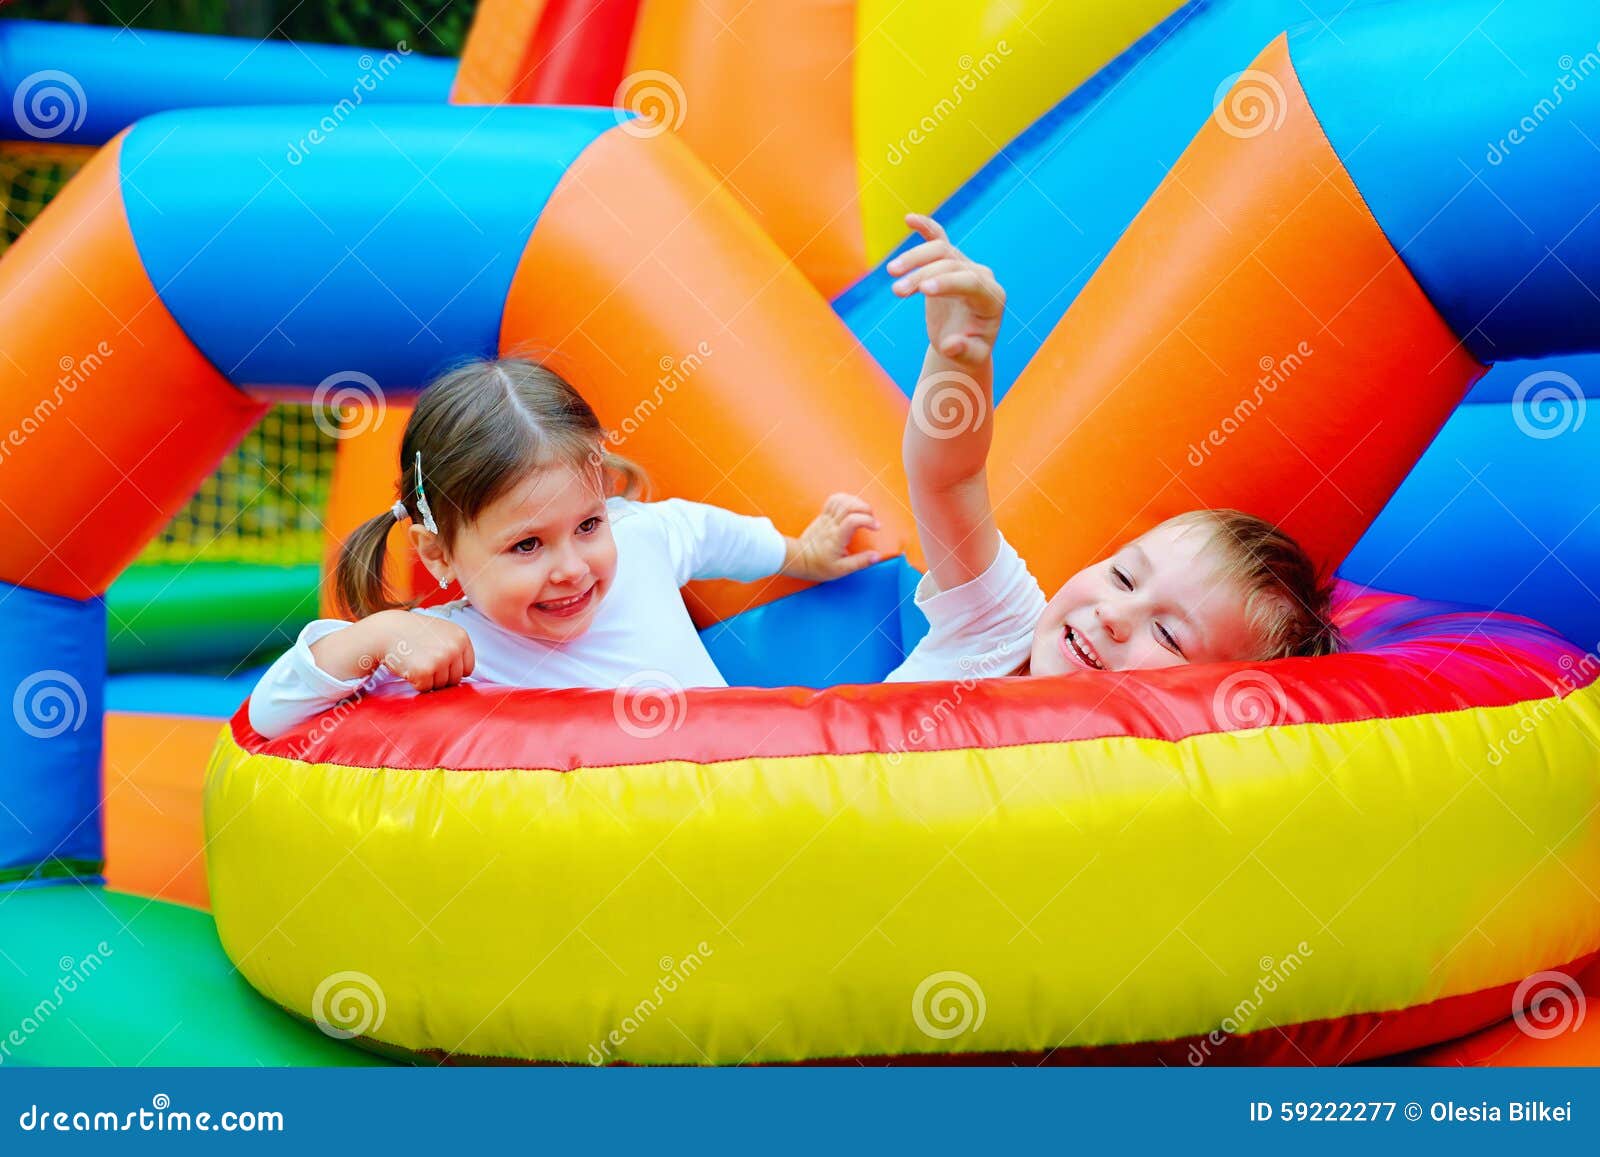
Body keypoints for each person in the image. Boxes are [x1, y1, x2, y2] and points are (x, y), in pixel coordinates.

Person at [248, 357, 879, 738]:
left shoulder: (637, 540)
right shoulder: (442, 647)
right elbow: (269, 716)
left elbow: (702, 530)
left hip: (748, 787)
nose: (572, 569)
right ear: (437, 554)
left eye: (587, 525)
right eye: (527, 546)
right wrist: (377, 636)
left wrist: (802, 554)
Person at [883, 214, 1340, 682]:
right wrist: (958, 360)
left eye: (1167, 635)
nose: (1113, 616)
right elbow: (949, 480)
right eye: (1122, 577)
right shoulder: (1000, 627)